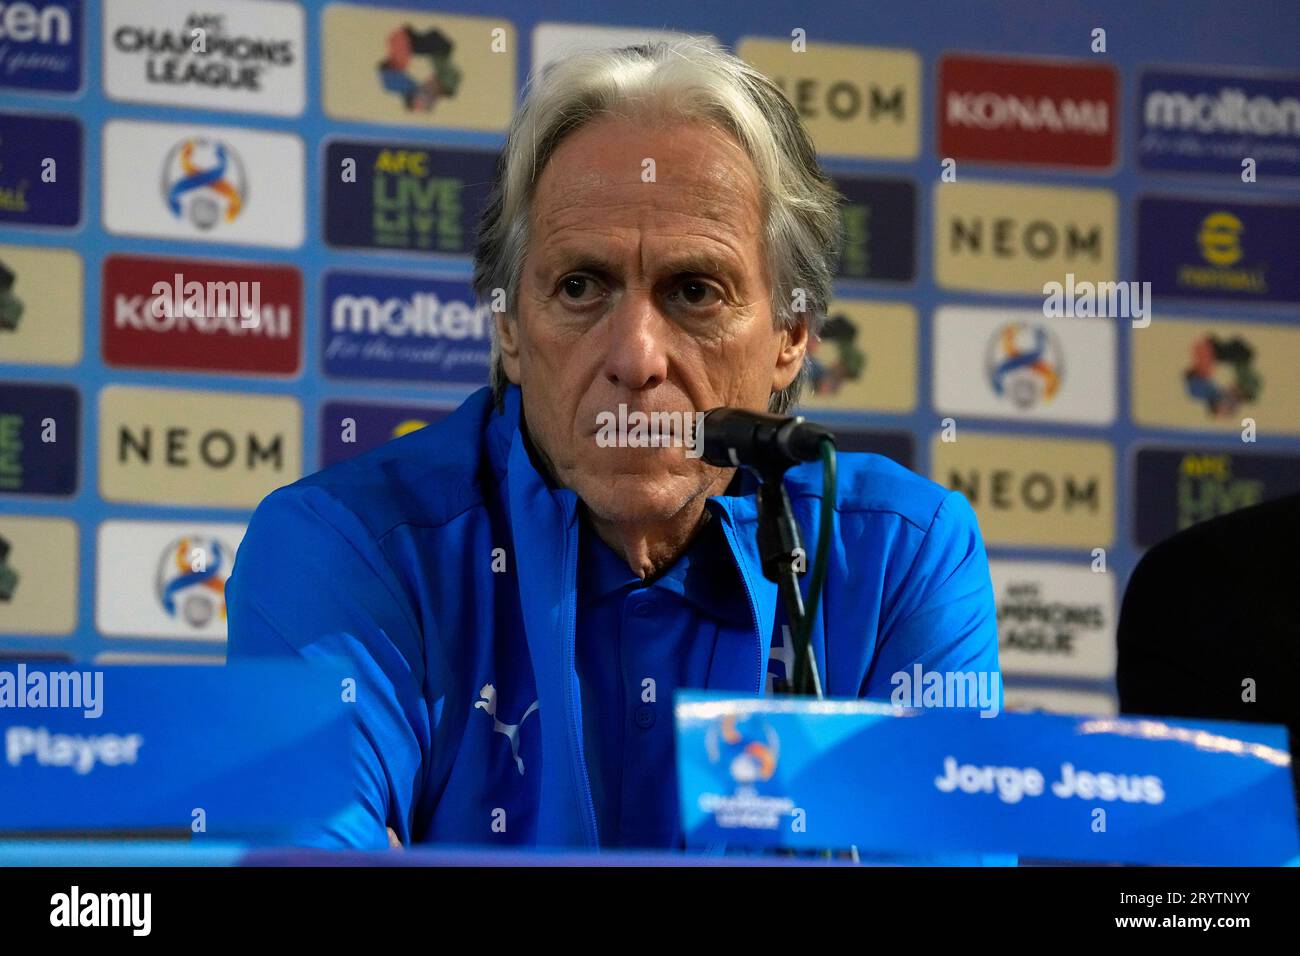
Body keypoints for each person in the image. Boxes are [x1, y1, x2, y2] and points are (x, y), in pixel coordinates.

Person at [227, 37, 999, 850]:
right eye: (581, 286)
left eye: (695, 291)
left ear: (791, 336)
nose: (635, 356)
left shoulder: (900, 559)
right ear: (510, 330)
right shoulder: (346, 550)